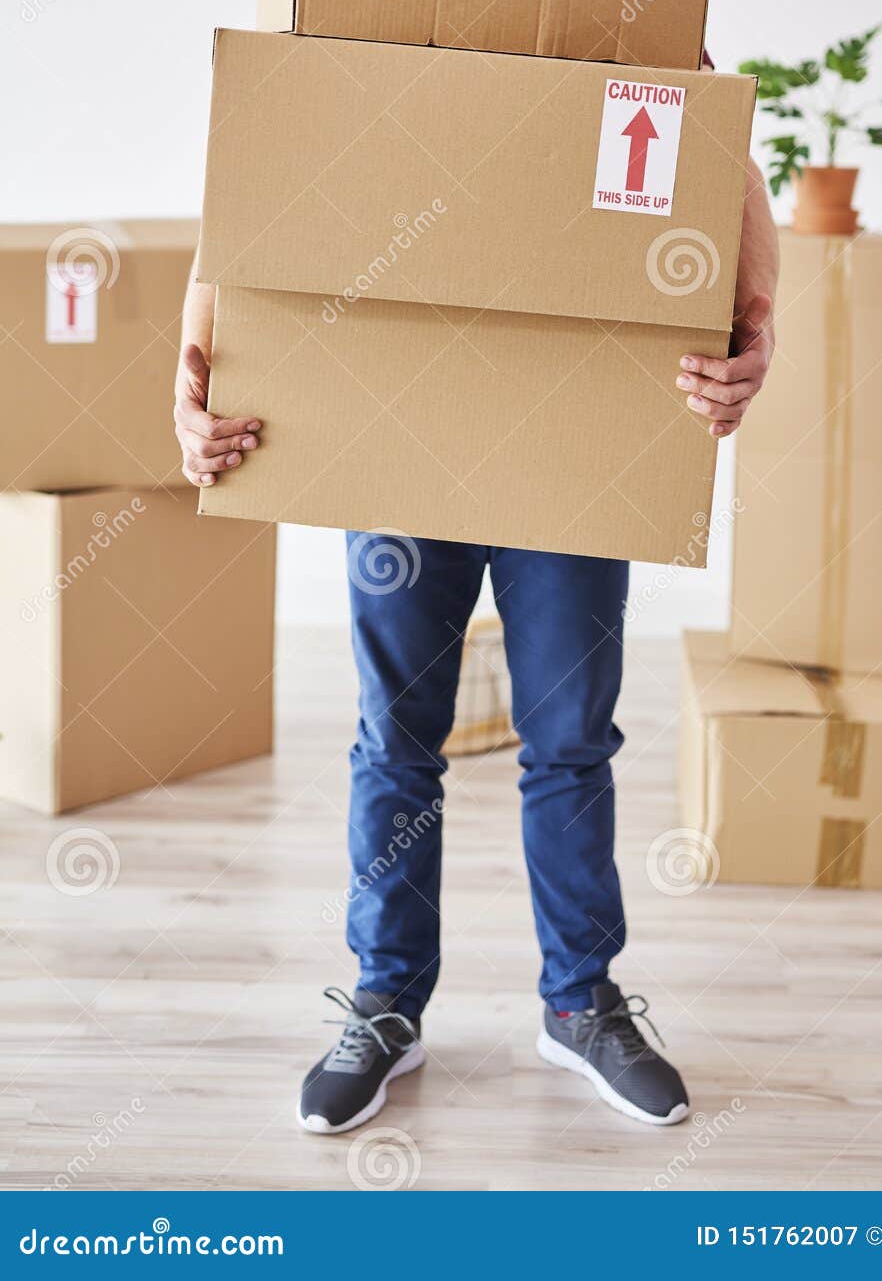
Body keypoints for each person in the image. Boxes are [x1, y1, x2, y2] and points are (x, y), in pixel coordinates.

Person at [174, 140, 778, 1134]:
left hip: (577, 437)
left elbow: (722, 156)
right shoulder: (361, 4)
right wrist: (188, 379)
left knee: (572, 740)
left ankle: (582, 1003)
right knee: (395, 739)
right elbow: (255, 179)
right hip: (397, 433)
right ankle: (386, 1001)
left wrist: (759, 325)